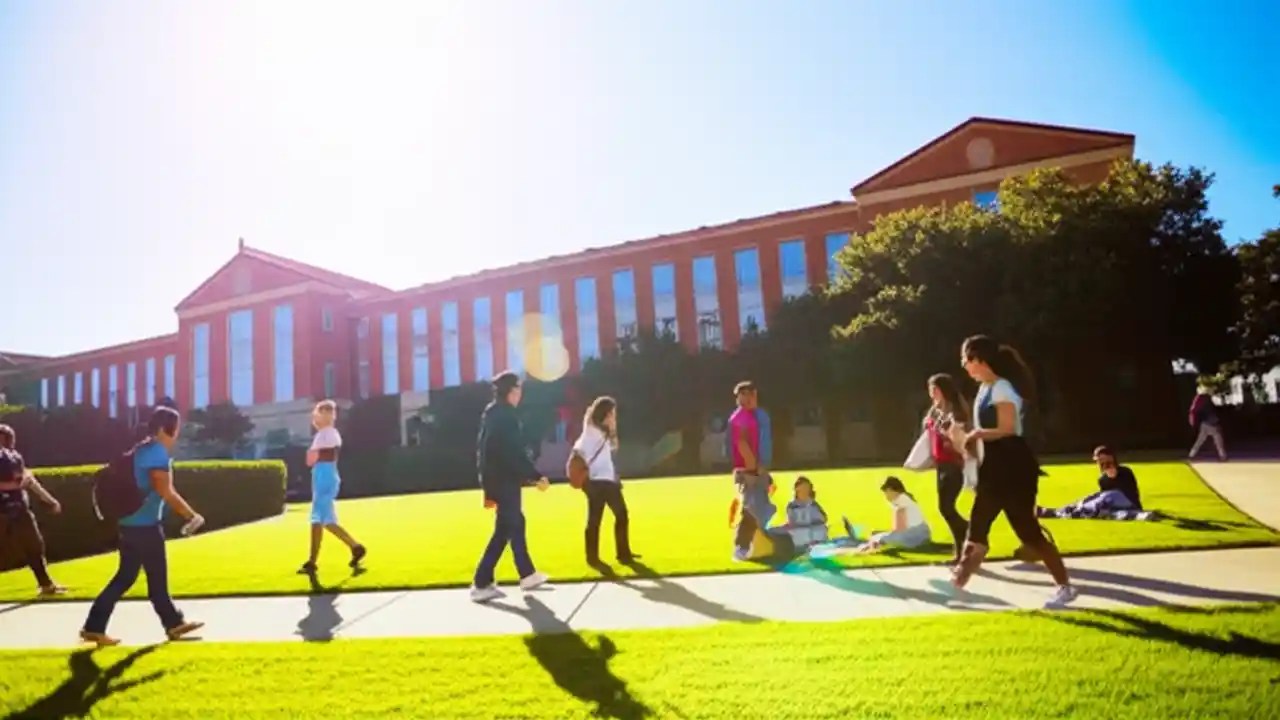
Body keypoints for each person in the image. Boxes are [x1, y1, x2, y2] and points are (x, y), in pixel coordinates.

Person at [951, 335, 1077, 608]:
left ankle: (1065, 587)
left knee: (1028, 532)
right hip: (994, 464)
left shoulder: (1002, 388)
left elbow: (1007, 429)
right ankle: (961, 576)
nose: (964, 366)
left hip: (1014, 465)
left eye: (966, 360)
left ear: (980, 360)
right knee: (979, 519)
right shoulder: (984, 389)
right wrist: (969, 442)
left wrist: (976, 434)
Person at [81, 406, 206, 646]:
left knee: (126, 577)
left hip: (130, 523)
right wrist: (191, 515)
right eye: (176, 427)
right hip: (144, 525)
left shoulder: (142, 449)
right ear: (164, 428)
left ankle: (94, 627)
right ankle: (173, 623)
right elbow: (165, 490)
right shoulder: (156, 453)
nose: (177, 432)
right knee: (156, 580)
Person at [471, 371, 551, 603]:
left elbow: (486, 454)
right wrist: (535, 476)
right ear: (511, 391)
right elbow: (513, 453)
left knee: (510, 525)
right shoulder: (505, 418)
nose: (520, 394)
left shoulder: (494, 415)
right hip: (504, 482)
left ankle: (525, 574)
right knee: (508, 527)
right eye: (518, 389)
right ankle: (482, 582)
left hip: (499, 481)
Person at [298, 400, 367, 574]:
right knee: (324, 520)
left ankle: (313, 562)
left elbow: (315, 458)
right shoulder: (326, 434)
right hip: (324, 477)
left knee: (319, 520)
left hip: (324, 478)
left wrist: (313, 455)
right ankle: (354, 547)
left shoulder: (326, 434)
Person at [0, 425, 64, 596]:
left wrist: (50, 500)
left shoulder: (14, 457)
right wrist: (15, 485)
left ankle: (46, 585)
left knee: (34, 546)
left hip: (19, 507)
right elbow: (23, 482)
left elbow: (29, 481)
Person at [574, 395, 636, 565]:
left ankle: (615, 554)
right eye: (612, 413)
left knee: (612, 516)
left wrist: (612, 428)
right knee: (602, 518)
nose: (614, 416)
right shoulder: (591, 430)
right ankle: (605, 556)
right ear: (606, 413)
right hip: (597, 480)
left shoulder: (602, 431)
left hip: (605, 480)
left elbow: (614, 447)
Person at [924, 374, 971, 565]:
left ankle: (970, 536)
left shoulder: (955, 412)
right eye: (930, 390)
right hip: (941, 464)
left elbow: (957, 437)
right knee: (945, 508)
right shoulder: (936, 411)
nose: (932, 394)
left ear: (944, 390)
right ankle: (962, 551)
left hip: (954, 464)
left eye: (935, 389)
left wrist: (944, 429)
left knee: (946, 507)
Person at [727, 381, 777, 561]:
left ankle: (757, 545)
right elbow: (741, 444)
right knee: (750, 509)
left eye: (748, 394)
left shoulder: (758, 416)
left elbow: (764, 440)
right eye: (741, 395)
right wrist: (754, 468)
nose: (744, 399)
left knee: (760, 508)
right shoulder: (740, 418)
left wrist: (763, 468)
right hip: (750, 471)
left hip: (758, 469)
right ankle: (741, 547)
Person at [1037, 445, 1151, 520]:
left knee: (1110, 495)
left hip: (1130, 503)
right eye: (1099, 461)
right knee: (1090, 498)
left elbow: (1124, 493)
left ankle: (1080, 512)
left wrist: (1114, 476)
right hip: (1113, 501)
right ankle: (1060, 511)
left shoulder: (1125, 471)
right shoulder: (1102, 479)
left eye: (1103, 460)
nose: (1100, 463)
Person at [852, 477, 931, 553]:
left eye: (886, 492)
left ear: (891, 490)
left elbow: (899, 529)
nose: (886, 495)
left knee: (880, 538)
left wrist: (881, 535)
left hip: (915, 535)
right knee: (878, 535)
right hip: (922, 533)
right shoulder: (904, 498)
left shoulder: (901, 501)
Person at [772, 476, 829, 549]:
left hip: (813, 535)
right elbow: (792, 522)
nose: (803, 493)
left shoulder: (813, 505)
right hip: (799, 536)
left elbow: (823, 519)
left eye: (805, 490)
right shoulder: (792, 506)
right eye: (801, 490)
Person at [1188, 386, 1227, 461]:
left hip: (1205, 423)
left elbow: (1195, 410)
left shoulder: (1200, 399)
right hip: (1211, 423)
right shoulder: (1207, 399)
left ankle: (1191, 454)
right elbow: (1213, 409)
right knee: (1218, 440)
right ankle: (1222, 455)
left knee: (1200, 440)